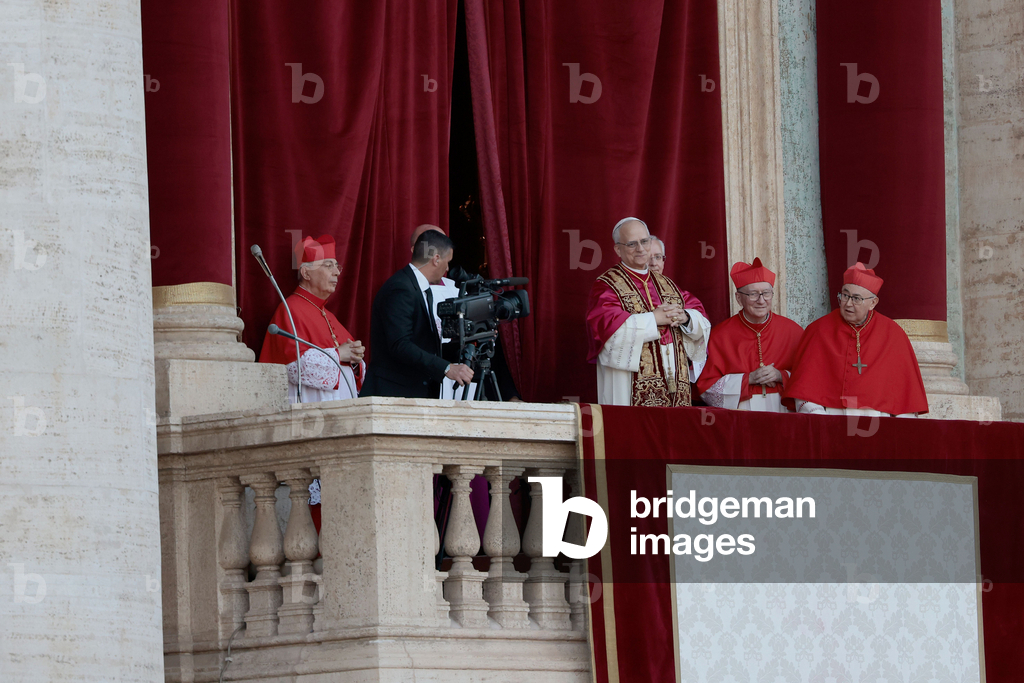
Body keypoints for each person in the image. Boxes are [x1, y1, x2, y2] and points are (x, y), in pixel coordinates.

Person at [586, 217, 710, 406]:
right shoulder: (607, 285)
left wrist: (685, 318)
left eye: (644, 241)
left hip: (675, 387)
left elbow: (700, 317)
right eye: (632, 244)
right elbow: (606, 331)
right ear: (618, 249)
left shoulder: (666, 284)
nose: (641, 249)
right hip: (629, 387)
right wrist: (654, 319)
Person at [783, 262, 928, 417]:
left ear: (873, 303)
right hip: (830, 418)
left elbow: (906, 400)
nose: (848, 304)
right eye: (845, 295)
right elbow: (804, 391)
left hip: (879, 423)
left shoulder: (894, 335)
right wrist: (821, 421)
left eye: (856, 298)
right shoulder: (818, 330)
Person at [360, 229, 475, 398]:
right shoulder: (401, 288)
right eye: (447, 261)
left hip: (413, 391)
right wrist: (446, 367)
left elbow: (422, 340)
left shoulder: (416, 287)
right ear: (436, 259)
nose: (447, 268)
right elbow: (400, 344)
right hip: (393, 393)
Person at [259, 234, 364, 403]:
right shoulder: (289, 310)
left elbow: (350, 371)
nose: (337, 272)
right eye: (328, 266)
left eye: (337, 266)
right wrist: (338, 354)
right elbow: (294, 367)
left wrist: (354, 360)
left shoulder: (329, 315)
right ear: (306, 273)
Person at [696, 258, 804, 411]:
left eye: (766, 293)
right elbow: (706, 389)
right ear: (738, 298)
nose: (761, 300)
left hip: (784, 409)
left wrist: (781, 376)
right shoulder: (720, 335)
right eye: (753, 294)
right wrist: (748, 379)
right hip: (741, 411)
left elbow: (812, 379)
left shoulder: (793, 331)